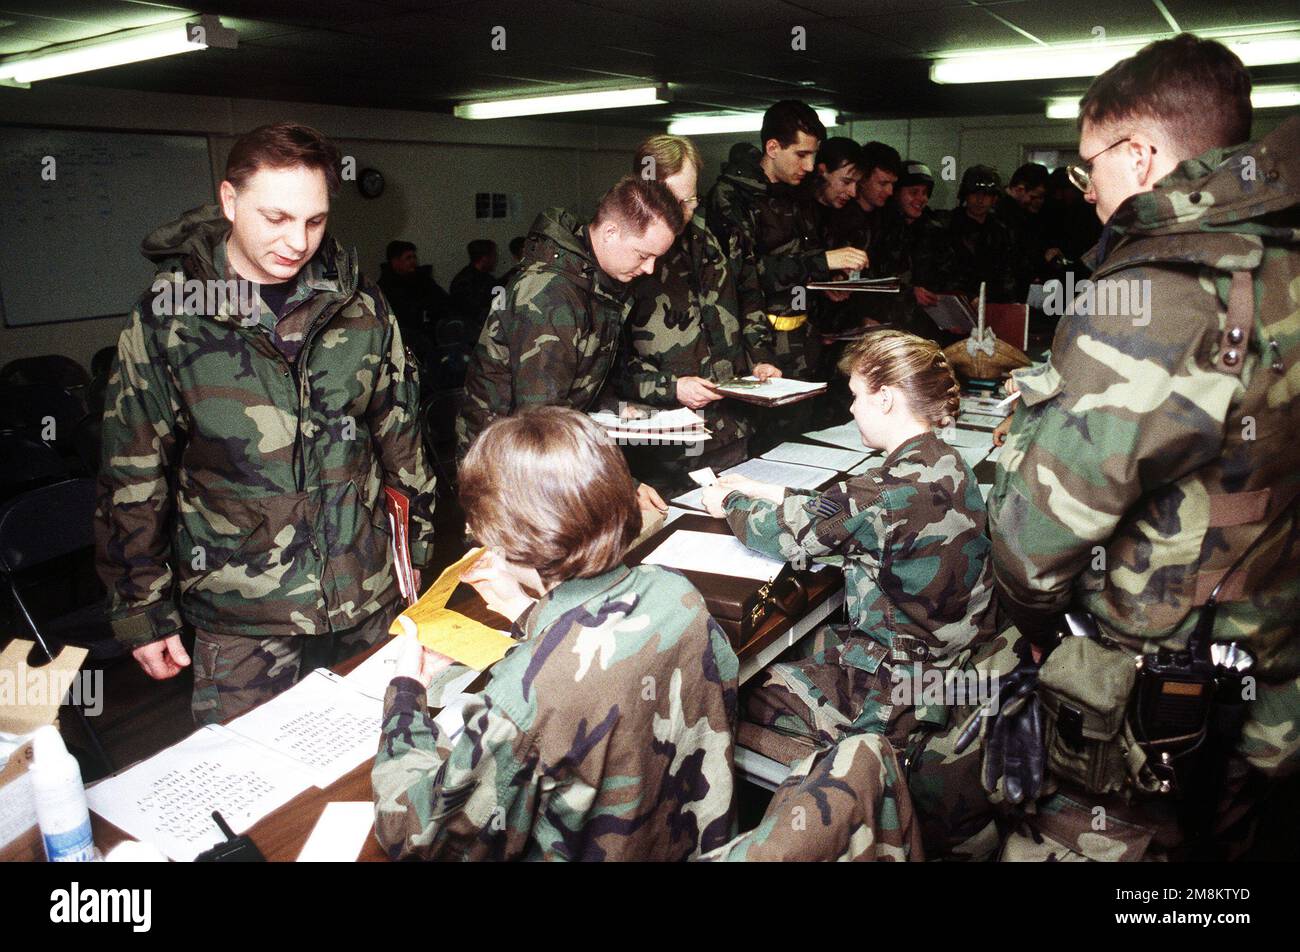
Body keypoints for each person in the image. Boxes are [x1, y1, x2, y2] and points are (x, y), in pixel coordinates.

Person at [972, 33, 1300, 861]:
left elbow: (1034, 540)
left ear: (1143, 155)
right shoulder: (1281, 267)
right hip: (1269, 675)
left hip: (1147, 703)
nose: (1085, 191)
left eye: (1090, 167)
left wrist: (1036, 625)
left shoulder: (1151, 296)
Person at [95, 122, 436, 724]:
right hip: (241, 614)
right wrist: (141, 610)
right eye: (275, 218)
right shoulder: (171, 316)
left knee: (381, 772)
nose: (296, 241)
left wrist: (415, 569)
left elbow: (402, 443)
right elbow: (132, 469)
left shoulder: (362, 305)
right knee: (248, 794)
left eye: (314, 220)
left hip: (367, 594)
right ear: (229, 201)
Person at [372, 406, 739, 860]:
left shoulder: (525, 693)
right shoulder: (677, 593)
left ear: (508, 540)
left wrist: (405, 693)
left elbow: (417, 833)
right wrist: (529, 610)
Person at [700, 330, 996, 773]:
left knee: (725, 692)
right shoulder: (948, 463)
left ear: (887, 399)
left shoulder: (881, 495)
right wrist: (768, 488)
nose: (852, 407)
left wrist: (727, 501)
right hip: (942, 668)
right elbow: (846, 507)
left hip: (889, 697)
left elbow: (781, 532)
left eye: (858, 395)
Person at [457, 174, 682, 515]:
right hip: (507, 475)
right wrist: (623, 486)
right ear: (610, 232)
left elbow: (583, 385)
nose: (650, 269)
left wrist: (628, 412)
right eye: (643, 254)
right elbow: (541, 425)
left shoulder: (596, 283)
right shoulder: (550, 296)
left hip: (549, 458)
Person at [620, 134, 782, 496]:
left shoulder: (716, 234)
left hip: (731, 427)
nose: (684, 212)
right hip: (664, 445)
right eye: (673, 201)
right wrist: (671, 388)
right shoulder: (626, 254)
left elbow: (749, 292)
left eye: (690, 199)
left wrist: (760, 357)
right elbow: (609, 367)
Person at [945, 165, 1017, 302]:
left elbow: (1007, 274)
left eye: (986, 194)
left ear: (994, 198)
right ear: (966, 195)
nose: (980, 199)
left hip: (993, 303)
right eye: (975, 193)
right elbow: (944, 273)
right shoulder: (948, 227)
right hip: (958, 302)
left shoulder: (1000, 231)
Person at [996, 163, 1055, 300]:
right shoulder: (1006, 216)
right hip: (1007, 293)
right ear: (1020, 189)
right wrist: (1043, 260)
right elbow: (1014, 259)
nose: (1039, 202)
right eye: (1035, 196)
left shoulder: (1018, 213)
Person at [449, 238, 499, 332]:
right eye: (493, 256)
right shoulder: (465, 282)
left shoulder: (481, 278)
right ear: (484, 258)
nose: (495, 260)